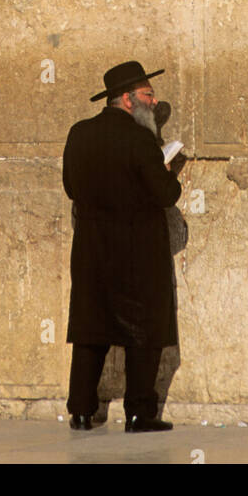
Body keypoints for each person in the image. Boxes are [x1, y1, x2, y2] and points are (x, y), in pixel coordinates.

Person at [62, 59, 185, 433]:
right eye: (148, 94)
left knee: (90, 331)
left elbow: (71, 187)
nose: (154, 101)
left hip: (92, 253)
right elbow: (165, 194)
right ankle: (139, 414)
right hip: (137, 254)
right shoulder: (139, 140)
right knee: (143, 331)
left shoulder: (79, 134)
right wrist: (169, 173)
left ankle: (81, 412)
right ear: (128, 100)